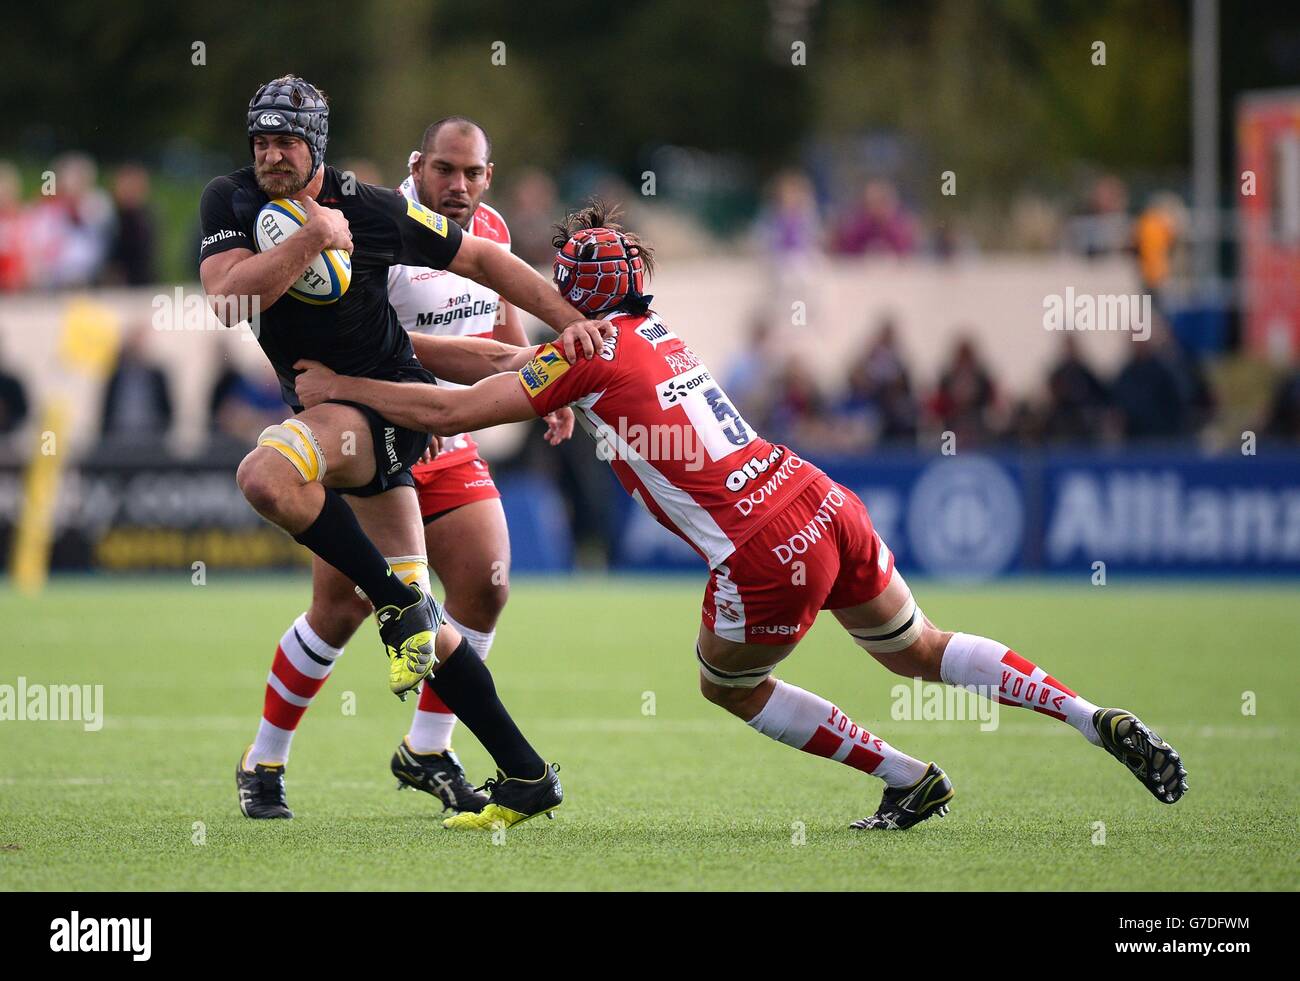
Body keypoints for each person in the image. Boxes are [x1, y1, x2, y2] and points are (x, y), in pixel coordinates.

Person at [295, 201, 1189, 831]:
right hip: (822, 498)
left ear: (575, 291)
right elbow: (521, 367)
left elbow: (453, 413)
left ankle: (908, 775)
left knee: (724, 685)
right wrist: (441, 359)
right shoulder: (659, 334)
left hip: (764, 551)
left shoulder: (589, 350)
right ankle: (1085, 711)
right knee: (924, 648)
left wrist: (339, 384)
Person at [198, 75, 601, 826]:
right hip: (368, 415)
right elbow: (227, 302)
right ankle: (520, 767)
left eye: (286, 141)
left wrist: (564, 333)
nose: (271, 154)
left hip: (402, 418)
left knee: (474, 579)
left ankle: (422, 718)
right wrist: (314, 237)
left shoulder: (383, 213)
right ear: (417, 165)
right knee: (376, 613)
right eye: (261, 140)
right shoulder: (234, 202)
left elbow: (488, 288)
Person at [296, 115, 577, 814]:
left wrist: (538, 385)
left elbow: (501, 317)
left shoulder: (495, 232)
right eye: (444, 169)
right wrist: (512, 365)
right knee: (341, 608)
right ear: (416, 165)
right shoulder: (375, 228)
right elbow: (399, 346)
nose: (457, 185)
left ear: (489, 176)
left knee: (487, 582)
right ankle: (264, 758)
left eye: (471, 173)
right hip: (373, 433)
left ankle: (426, 745)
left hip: (447, 437)